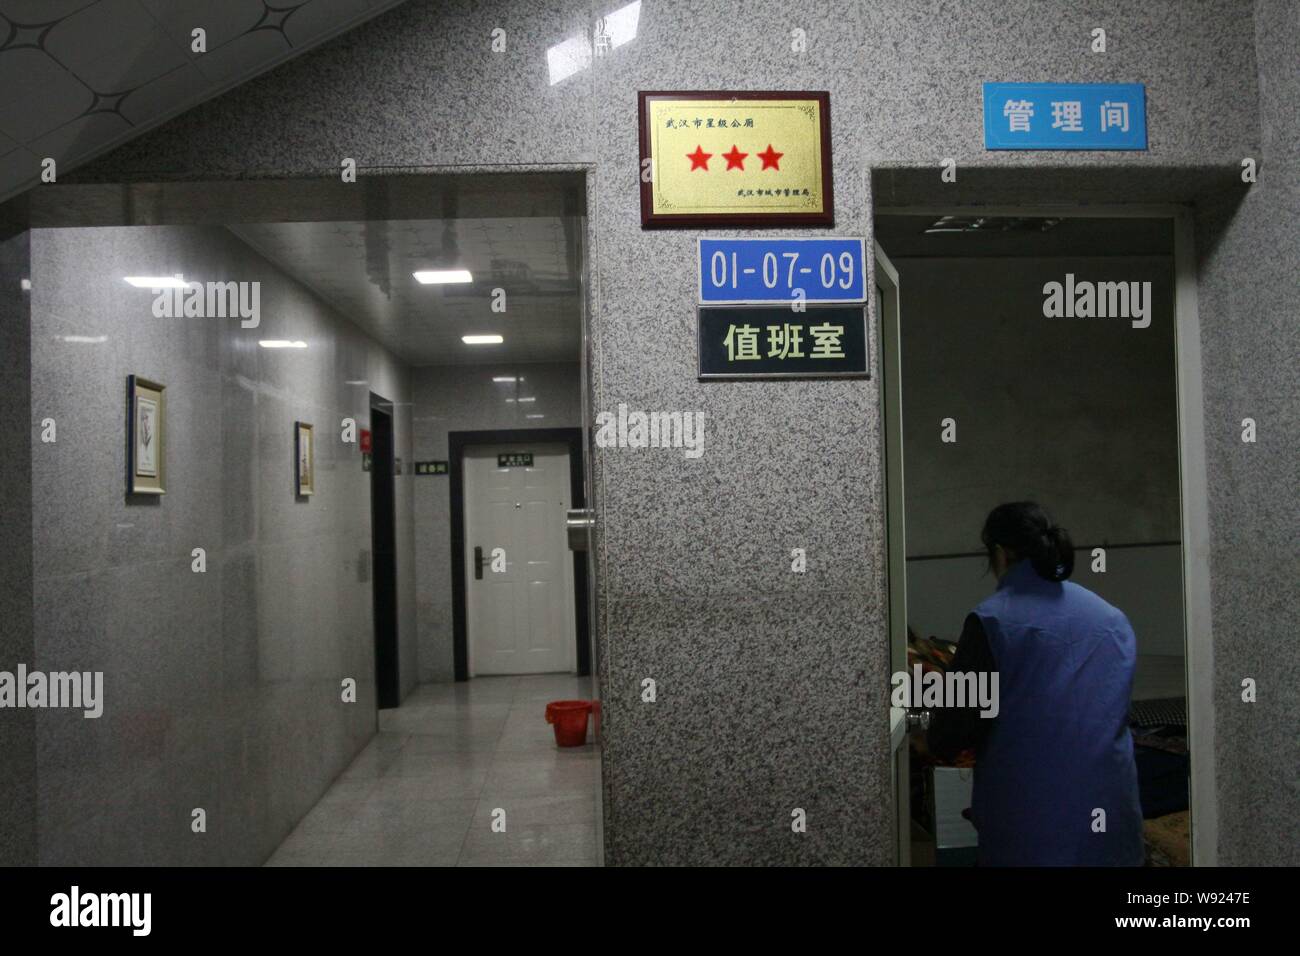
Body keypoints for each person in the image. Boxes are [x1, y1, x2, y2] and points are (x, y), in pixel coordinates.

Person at [927, 501, 1144, 866]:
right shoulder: (1112, 619)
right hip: (1114, 829)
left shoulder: (991, 622)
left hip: (1031, 834)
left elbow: (950, 735)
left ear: (999, 553)